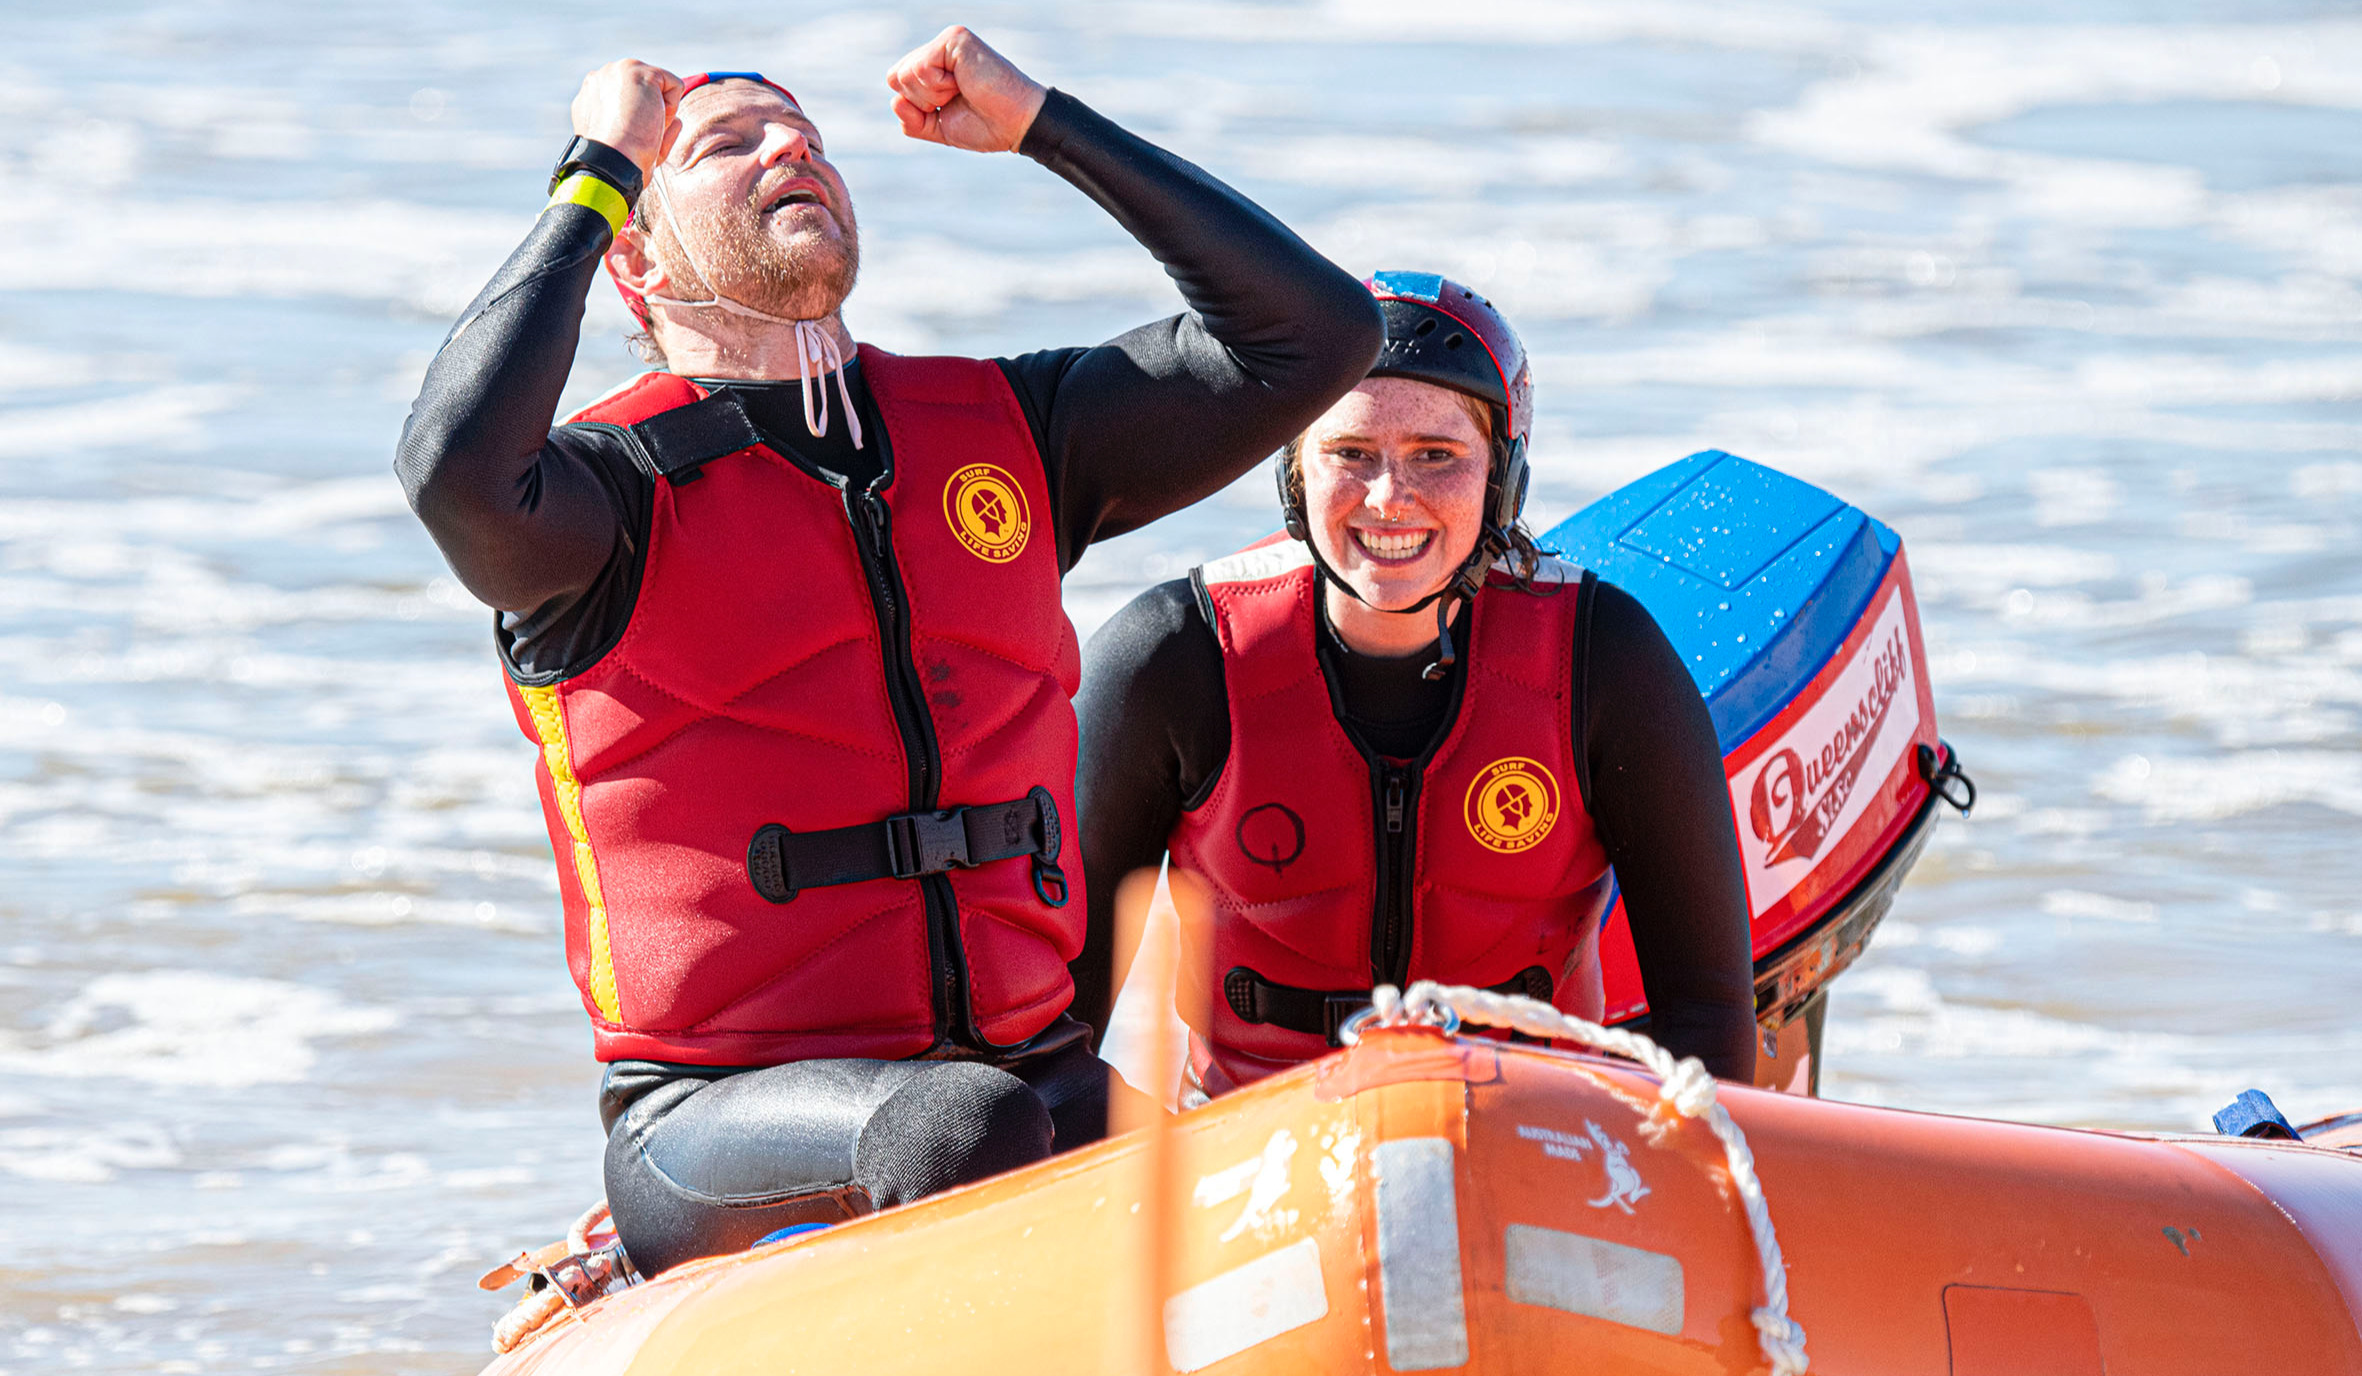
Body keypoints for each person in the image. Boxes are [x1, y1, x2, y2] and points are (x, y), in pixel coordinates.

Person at [394, 29, 1380, 1274]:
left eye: (806, 133)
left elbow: (1314, 334)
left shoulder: (1008, 430)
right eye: (727, 143)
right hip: (716, 1115)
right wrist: (598, 169)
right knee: (964, 1124)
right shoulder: (601, 502)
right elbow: (451, 469)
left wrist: (1042, 125)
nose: (789, 147)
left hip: (1026, 1071)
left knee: (1258, 1162)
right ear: (637, 259)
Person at [1073, 272, 1757, 1097]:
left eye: (1437, 455)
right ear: (1295, 474)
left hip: (1533, 1126)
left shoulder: (1606, 660)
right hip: (1250, 1134)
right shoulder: (1175, 659)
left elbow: (1709, 1021)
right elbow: (1056, 1028)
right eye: (1350, 453)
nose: (1390, 498)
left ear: (1503, 479)